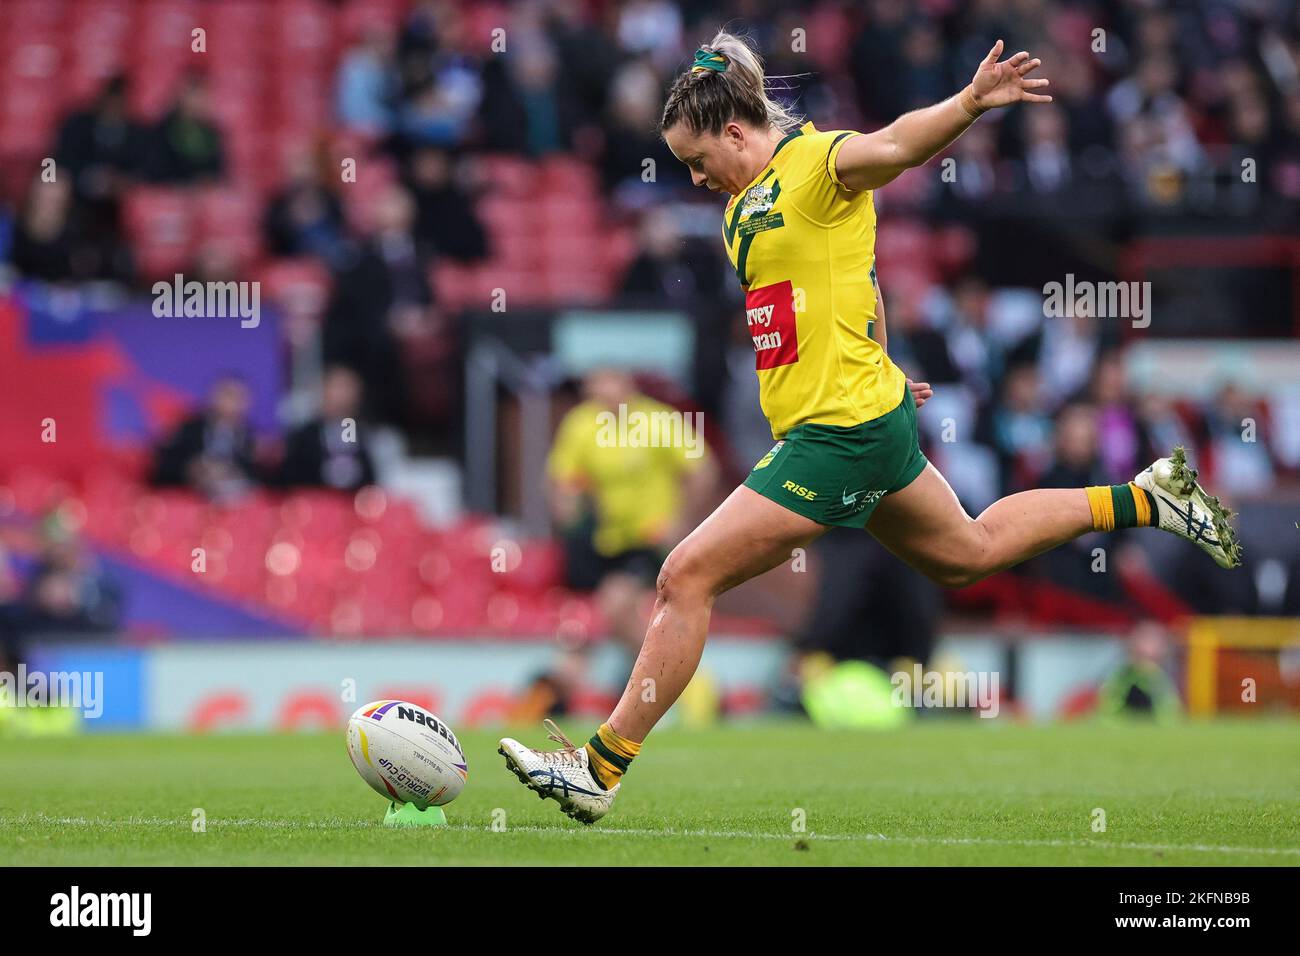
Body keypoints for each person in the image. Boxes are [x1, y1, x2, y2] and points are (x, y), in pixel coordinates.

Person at [498, 32, 1241, 824]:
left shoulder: (818, 165)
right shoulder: (739, 213)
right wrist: (882, 363)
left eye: (696, 157)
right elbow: (861, 281)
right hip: (852, 420)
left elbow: (893, 145)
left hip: (842, 434)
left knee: (685, 576)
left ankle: (599, 769)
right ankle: (1146, 496)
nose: (693, 176)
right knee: (969, 553)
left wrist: (967, 104)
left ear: (737, 132)